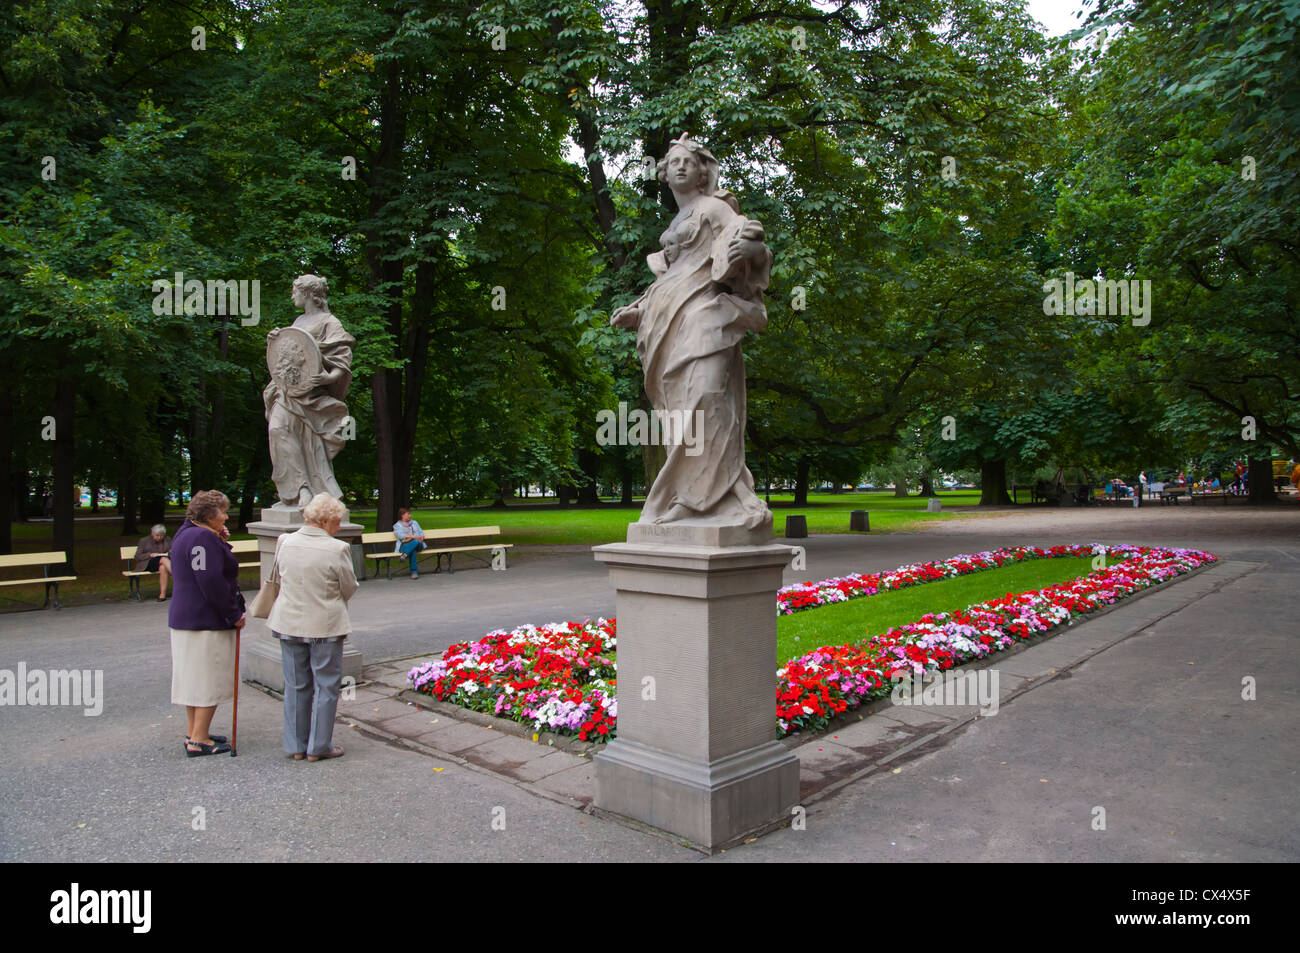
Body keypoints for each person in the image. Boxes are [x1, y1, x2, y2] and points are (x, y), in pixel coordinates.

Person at [610, 133, 773, 529]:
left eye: (689, 160)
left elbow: (749, 240)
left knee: (709, 397)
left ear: (703, 171)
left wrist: (755, 254)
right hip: (668, 322)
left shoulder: (714, 208)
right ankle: (693, 495)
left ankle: (718, 494)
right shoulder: (676, 220)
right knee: (681, 414)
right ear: (664, 174)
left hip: (707, 317)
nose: (680, 166)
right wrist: (638, 311)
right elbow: (672, 278)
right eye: (673, 162)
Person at [266, 493, 358, 762]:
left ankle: (296, 745)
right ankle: (318, 747)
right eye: (338, 521)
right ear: (326, 520)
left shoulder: (285, 541)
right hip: (325, 626)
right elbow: (348, 587)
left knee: (296, 685)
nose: (339, 526)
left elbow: (279, 577)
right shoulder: (337, 548)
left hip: (288, 622)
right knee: (327, 685)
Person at [264, 274, 356, 507]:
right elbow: (288, 351)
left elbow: (342, 359)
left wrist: (329, 377)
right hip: (287, 392)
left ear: (307, 293)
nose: (292, 295)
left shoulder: (330, 322)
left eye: (294, 291)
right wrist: (274, 341)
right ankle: (299, 489)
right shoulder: (297, 322)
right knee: (277, 430)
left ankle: (309, 491)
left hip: (312, 395)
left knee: (308, 443)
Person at [169, 490, 246, 757]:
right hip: (205, 620)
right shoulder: (202, 537)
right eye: (223, 512)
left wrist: (220, 542)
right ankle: (199, 740)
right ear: (210, 515)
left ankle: (195, 731)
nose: (226, 516)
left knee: (194, 680)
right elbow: (210, 581)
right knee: (208, 680)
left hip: (186, 618)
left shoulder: (186, 532)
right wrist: (233, 613)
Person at [134, 524, 173, 601]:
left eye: (161, 536)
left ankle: (162, 595)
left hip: (163, 562)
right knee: (163, 559)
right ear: (152, 534)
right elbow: (137, 556)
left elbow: (173, 552)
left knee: (163, 567)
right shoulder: (144, 541)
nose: (159, 537)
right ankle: (179, 576)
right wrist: (150, 555)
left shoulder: (167, 539)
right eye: (157, 535)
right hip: (148, 563)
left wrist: (169, 553)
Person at [393, 507, 427, 579]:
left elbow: (421, 533)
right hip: (404, 545)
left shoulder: (414, 523)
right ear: (402, 515)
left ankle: (405, 554)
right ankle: (414, 572)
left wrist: (421, 537)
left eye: (410, 514)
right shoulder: (397, 526)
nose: (410, 516)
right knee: (413, 550)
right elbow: (401, 536)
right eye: (408, 514)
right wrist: (414, 536)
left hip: (419, 544)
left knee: (415, 542)